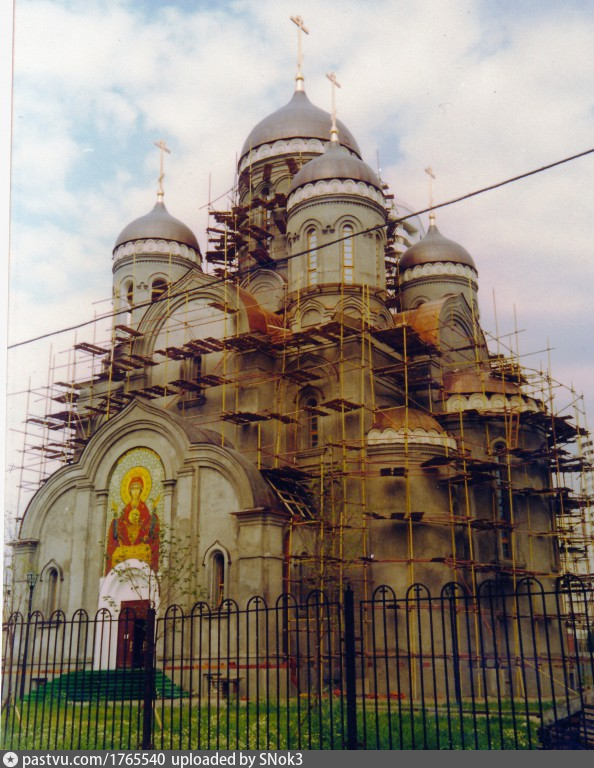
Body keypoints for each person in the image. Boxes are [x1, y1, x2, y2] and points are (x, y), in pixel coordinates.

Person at [105, 475, 159, 573]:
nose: (135, 492)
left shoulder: (143, 507)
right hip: (127, 543)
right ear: (129, 491)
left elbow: (148, 523)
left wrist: (154, 510)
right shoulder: (126, 508)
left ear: (141, 490)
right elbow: (121, 524)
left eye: (137, 489)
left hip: (140, 543)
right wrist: (116, 515)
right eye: (133, 489)